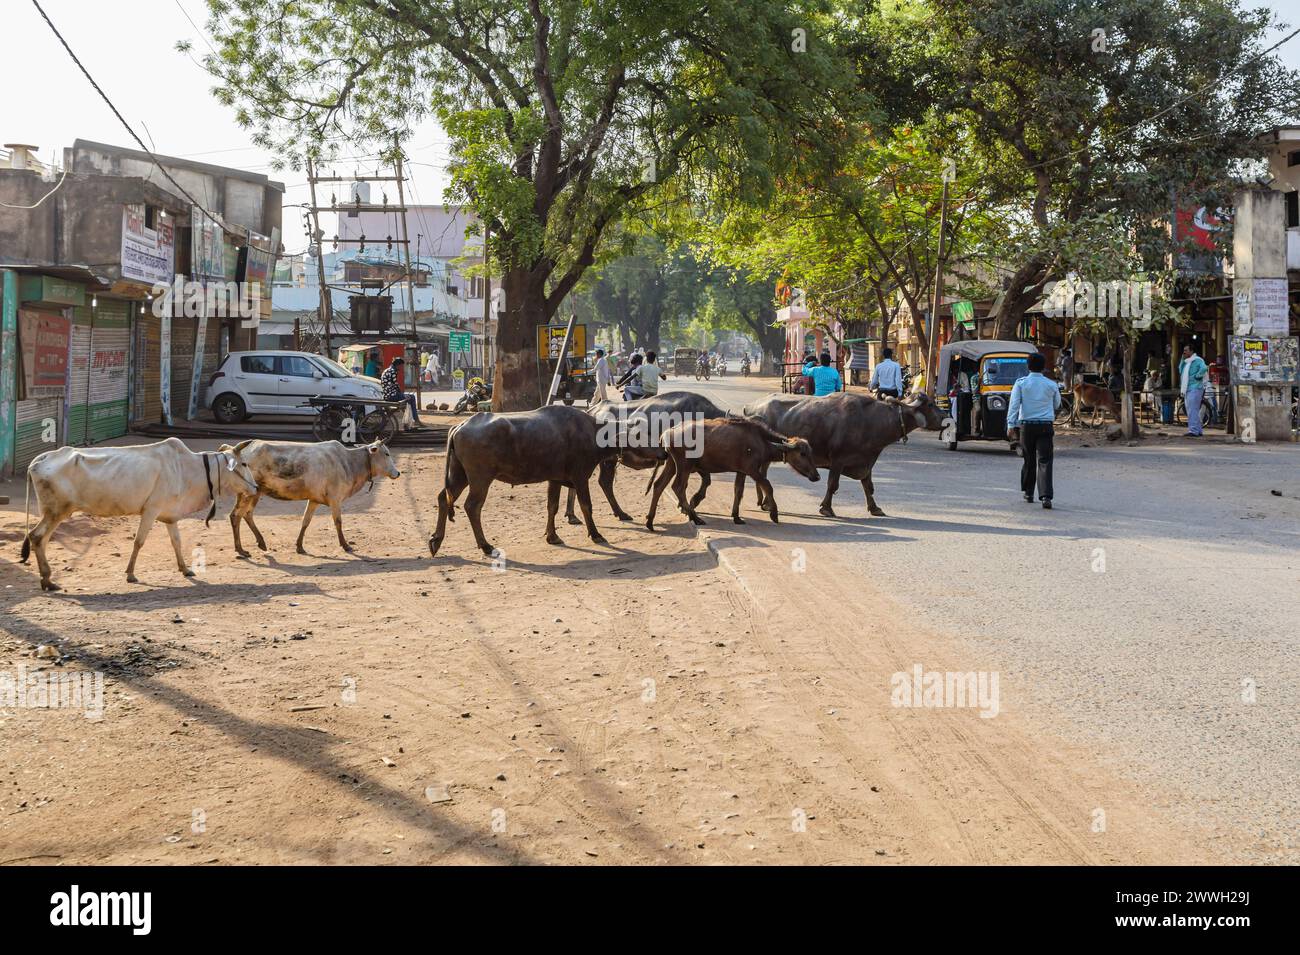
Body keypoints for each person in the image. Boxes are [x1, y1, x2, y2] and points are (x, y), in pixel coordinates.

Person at [1007, 352, 1061, 509]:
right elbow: (1057, 404)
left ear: (1028, 366)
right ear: (1043, 367)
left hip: (1027, 426)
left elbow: (1014, 405)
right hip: (1045, 426)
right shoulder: (1051, 384)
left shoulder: (1021, 383)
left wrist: (1011, 425)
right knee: (1045, 460)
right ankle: (1045, 497)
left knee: (1029, 459)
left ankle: (1029, 492)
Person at [381, 356, 424, 429]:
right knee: (412, 398)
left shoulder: (388, 370)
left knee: (408, 400)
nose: (401, 367)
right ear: (398, 365)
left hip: (388, 394)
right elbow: (395, 385)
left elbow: (394, 385)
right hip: (392, 395)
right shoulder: (393, 371)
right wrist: (402, 394)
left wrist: (402, 394)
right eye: (401, 366)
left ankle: (407, 423)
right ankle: (416, 420)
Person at [1179, 344, 1208, 437]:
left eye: (1186, 350)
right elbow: (1180, 370)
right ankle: (1198, 430)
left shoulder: (1197, 360)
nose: (1184, 352)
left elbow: (1204, 368)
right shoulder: (1187, 362)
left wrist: (1198, 376)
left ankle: (1193, 431)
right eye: (1184, 350)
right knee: (1192, 410)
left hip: (1195, 388)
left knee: (1192, 410)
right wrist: (1182, 360)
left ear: (1191, 351)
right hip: (1188, 388)